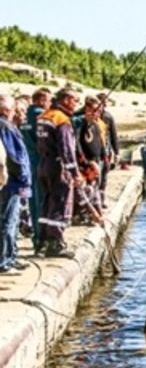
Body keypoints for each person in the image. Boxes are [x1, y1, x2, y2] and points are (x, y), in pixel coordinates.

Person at [35, 88, 82, 258]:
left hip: (43, 163)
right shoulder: (62, 120)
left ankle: (42, 240)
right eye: (75, 100)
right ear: (67, 99)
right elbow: (66, 149)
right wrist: (75, 173)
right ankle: (56, 243)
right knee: (60, 202)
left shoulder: (44, 116)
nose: (77, 104)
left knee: (47, 201)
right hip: (57, 166)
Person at [0, 95, 33, 272]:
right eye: (15, 109)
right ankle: (4, 260)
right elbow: (13, 157)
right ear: (7, 110)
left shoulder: (8, 126)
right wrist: (23, 176)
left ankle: (11, 256)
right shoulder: (5, 127)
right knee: (8, 221)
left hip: (12, 181)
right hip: (12, 183)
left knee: (13, 221)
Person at [23, 87, 51, 254]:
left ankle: (37, 238)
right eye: (48, 100)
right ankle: (42, 239)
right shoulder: (40, 115)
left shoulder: (25, 116)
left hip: (29, 163)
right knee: (43, 202)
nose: (50, 104)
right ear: (41, 100)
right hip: (40, 163)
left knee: (33, 203)